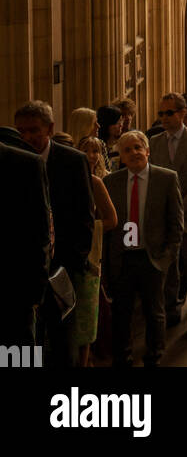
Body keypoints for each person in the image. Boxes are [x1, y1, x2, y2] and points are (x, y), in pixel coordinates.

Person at [14, 100, 95, 368]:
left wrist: (73, 265)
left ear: (50, 128)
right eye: (21, 131)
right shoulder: (15, 161)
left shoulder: (73, 160)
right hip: (26, 272)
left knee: (63, 341)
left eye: (34, 130)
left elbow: (85, 216)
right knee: (24, 347)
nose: (27, 137)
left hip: (63, 269)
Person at [102, 130, 184, 368]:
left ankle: (154, 356)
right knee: (121, 313)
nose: (134, 153)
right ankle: (123, 357)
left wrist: (167, 257)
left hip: (153, 257)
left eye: (138, 147)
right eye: (127, 150)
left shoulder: (166, 178)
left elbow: (176, 224)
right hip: (123, 257)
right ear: (122, 157)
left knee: (154, 312)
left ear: (147, 151)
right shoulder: (111, 182)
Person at [148, 91, 187, 341]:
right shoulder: (154, 143)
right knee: (168, 271)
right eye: (161, 113)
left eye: (169, 113)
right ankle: (172, 310)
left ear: (183, 113)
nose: (164, 118)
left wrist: (180, 211)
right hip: (164, 222)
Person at [0, 138, 51, 347]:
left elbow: (40, 232)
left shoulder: (25, 164)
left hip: (14, 289)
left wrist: (36, 291)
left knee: (19, 357)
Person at [72, 137, 118, 365]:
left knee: (88, 310)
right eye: (86, 150)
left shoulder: (96, 182)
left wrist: (86, 231)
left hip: (90, 253)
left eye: (96, 151)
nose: (92, 155)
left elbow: (111, 219)